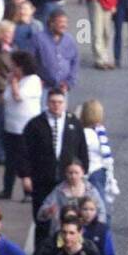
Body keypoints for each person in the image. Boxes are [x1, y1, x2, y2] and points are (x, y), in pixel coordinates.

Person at [20, 87, 89, 244]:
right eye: (53, 102)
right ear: (47, 103)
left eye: (59, 102)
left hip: (67, 181)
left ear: (65, 103)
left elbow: (82, 150)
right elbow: (24, 151)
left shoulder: (74, 123)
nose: (56, 105)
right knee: (43, 220)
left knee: (69, 219)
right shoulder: (35, 124)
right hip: (42, 180)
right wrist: (25, 175)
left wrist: (83, 174)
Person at [1, 51, 42, 199]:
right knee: (10, 160)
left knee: (25, 159)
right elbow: (6, 97)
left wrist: (13, 83)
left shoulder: (33, 80)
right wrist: (11, 82)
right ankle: (7, 189)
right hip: (11, 125)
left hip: (26, 127)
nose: (12, 68)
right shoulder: (15, 79)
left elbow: (18, 97)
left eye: (14, 65)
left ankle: (28, 191)